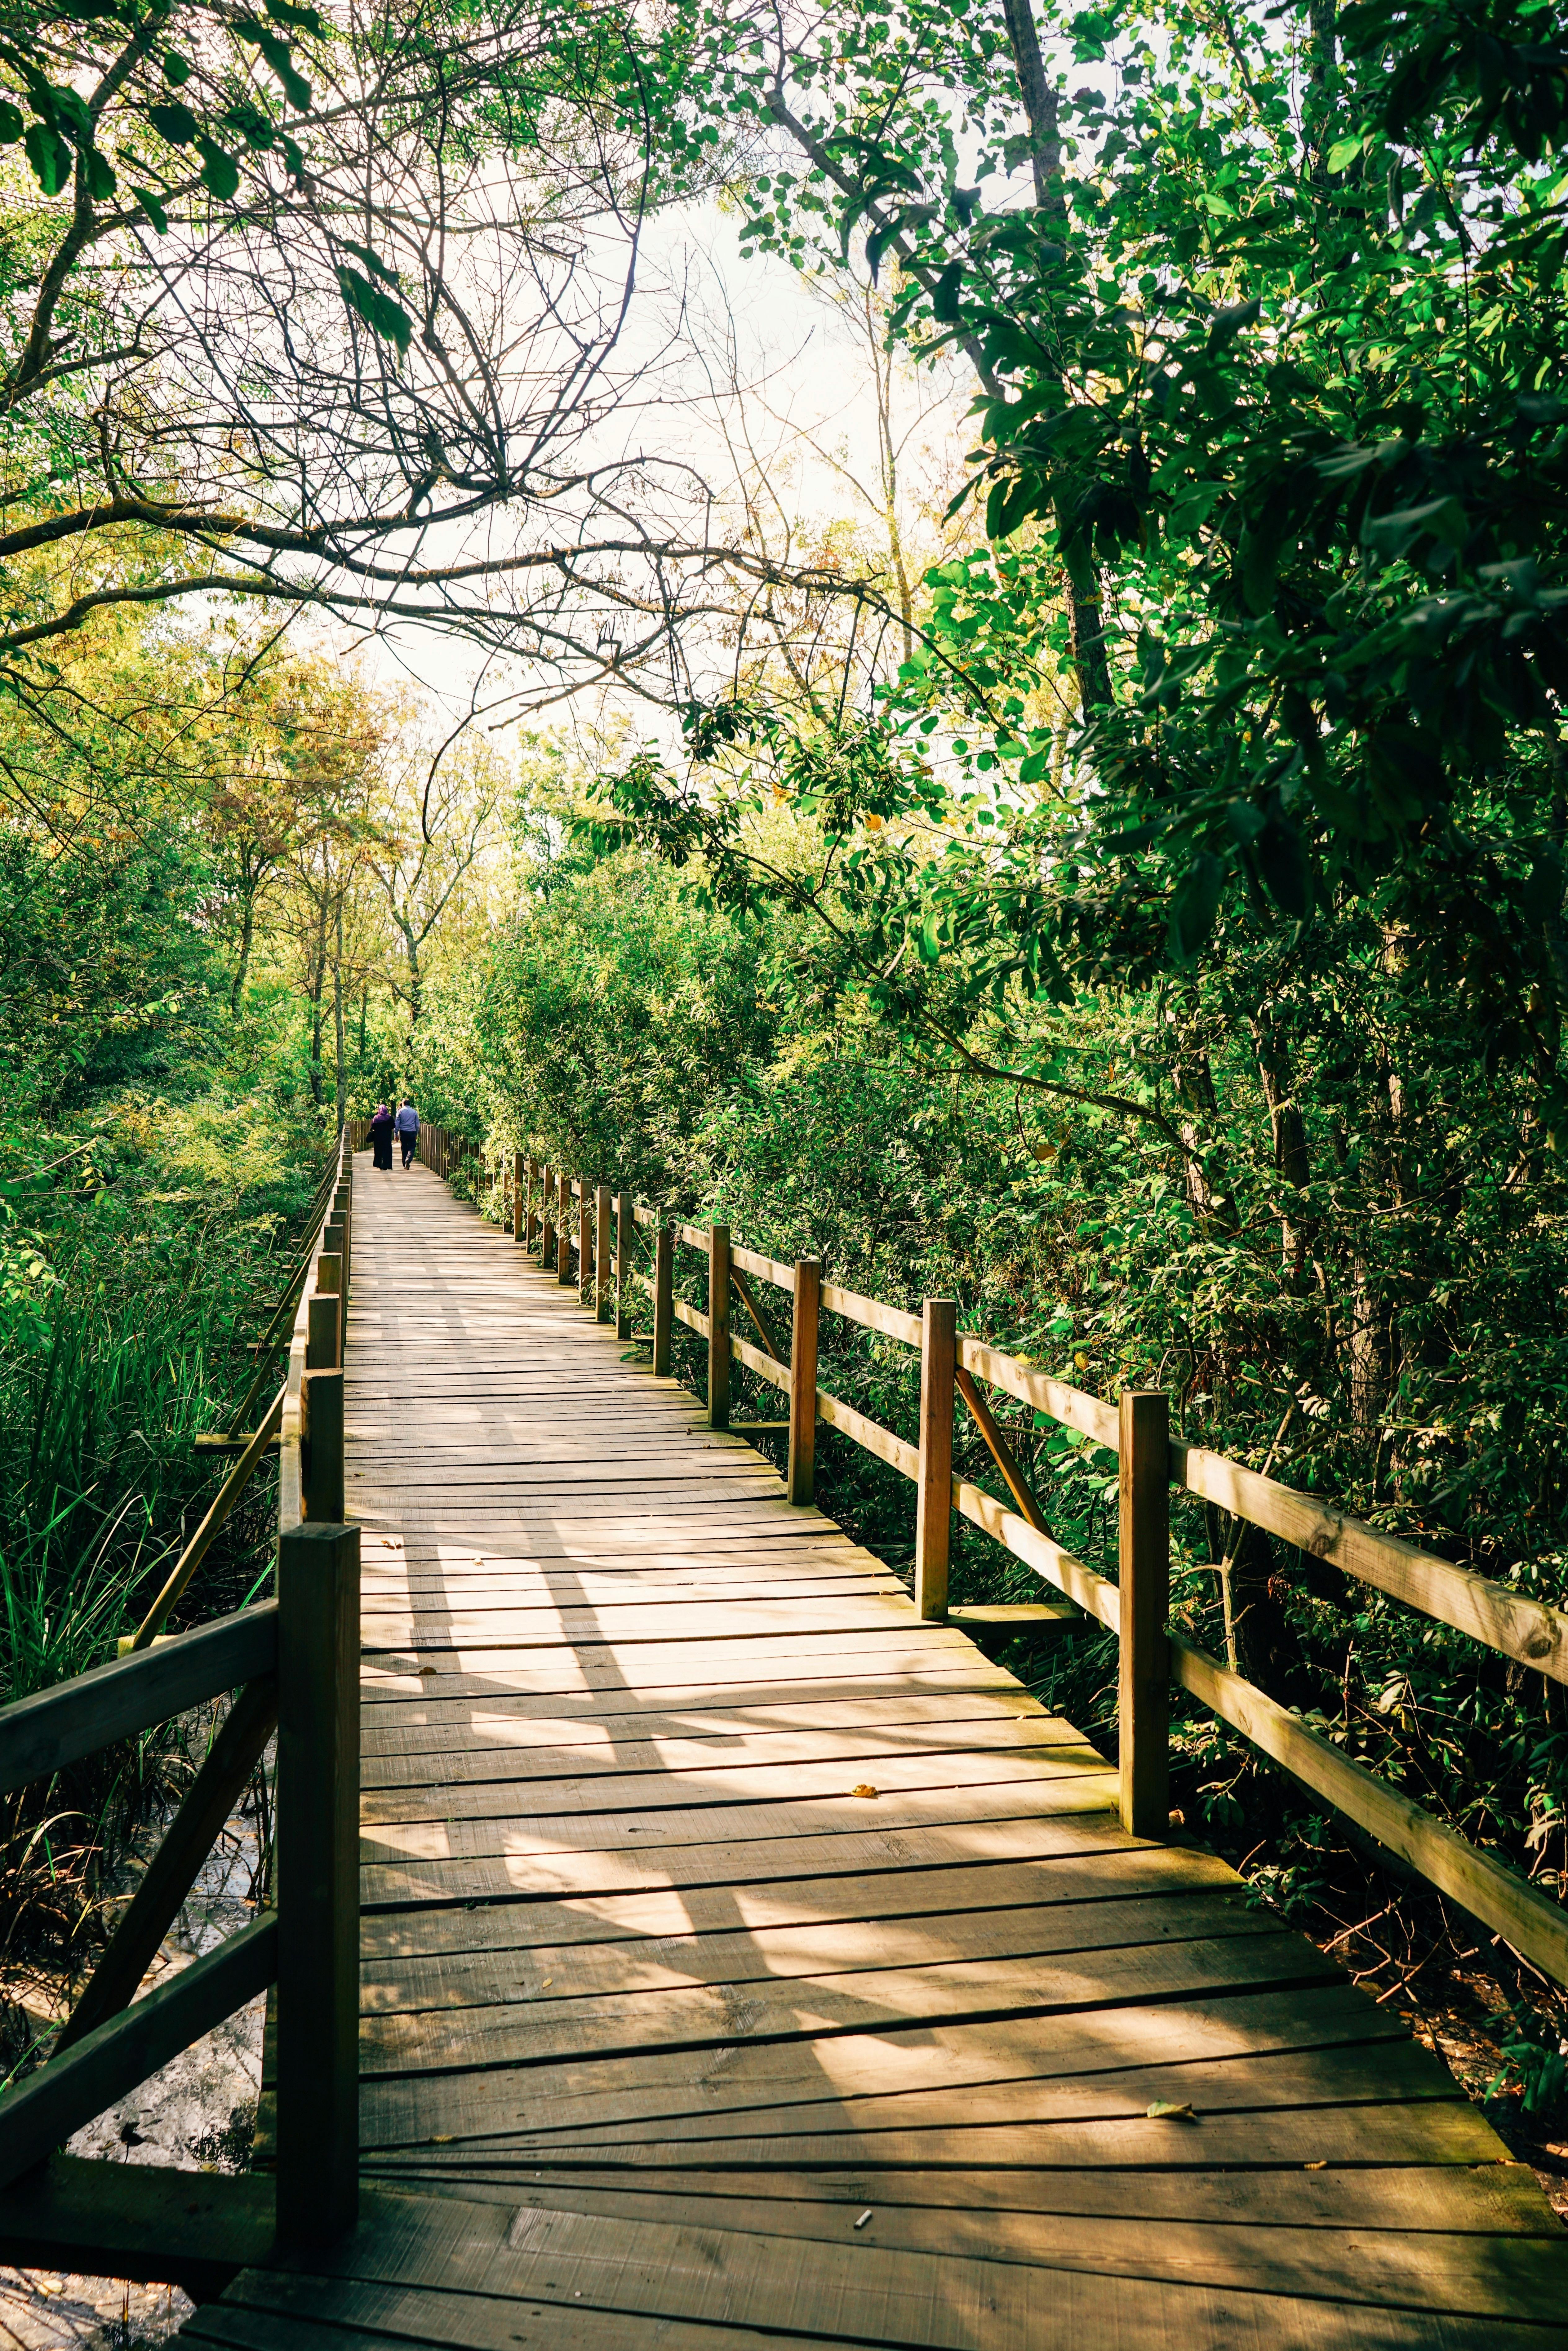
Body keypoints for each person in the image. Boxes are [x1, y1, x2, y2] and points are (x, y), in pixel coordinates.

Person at [395, 1096, 419, 1169]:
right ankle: (408, 1160)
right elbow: (417, 1124)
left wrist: (396, 1133)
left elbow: (397, 1124)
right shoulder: (414, 1112)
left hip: (403, 1132)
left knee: (404, 1147)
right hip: (412, 1132)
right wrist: (417, 1133)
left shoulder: (400, 1112)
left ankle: (404, 1163)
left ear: (403, 1104)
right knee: (412, 1147)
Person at [369, 1102, 394, 1171]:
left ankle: (379, 1164)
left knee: (378, 1150)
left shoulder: (376, 1118)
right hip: (387, 1137)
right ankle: (386, 1165)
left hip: (378, 1137)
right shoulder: (390, 1118)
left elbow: (373, 1127)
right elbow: (393, 1126)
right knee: (387, 1151)